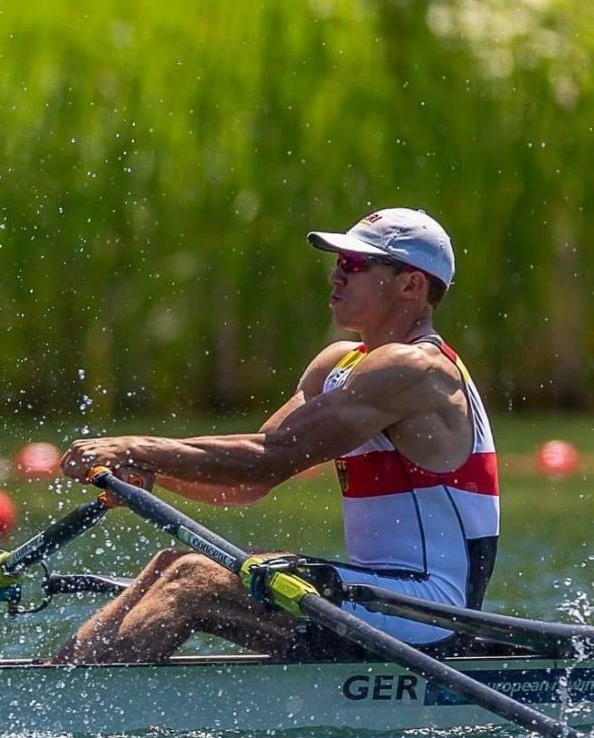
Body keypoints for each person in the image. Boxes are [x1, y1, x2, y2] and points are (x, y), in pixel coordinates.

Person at [54, 208, 497, 664]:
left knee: (192, 578)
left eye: (355, 264)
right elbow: (248, 484)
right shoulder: (341, 362)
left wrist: (135, 448)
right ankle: (61, 679)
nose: (335, 276)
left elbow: (270, 457)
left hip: (430, 614)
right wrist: (152, 476)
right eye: (338, 262)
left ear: (411, 285)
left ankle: (76, 717)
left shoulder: (416, 369)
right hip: (380, 595)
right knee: (170, 564)